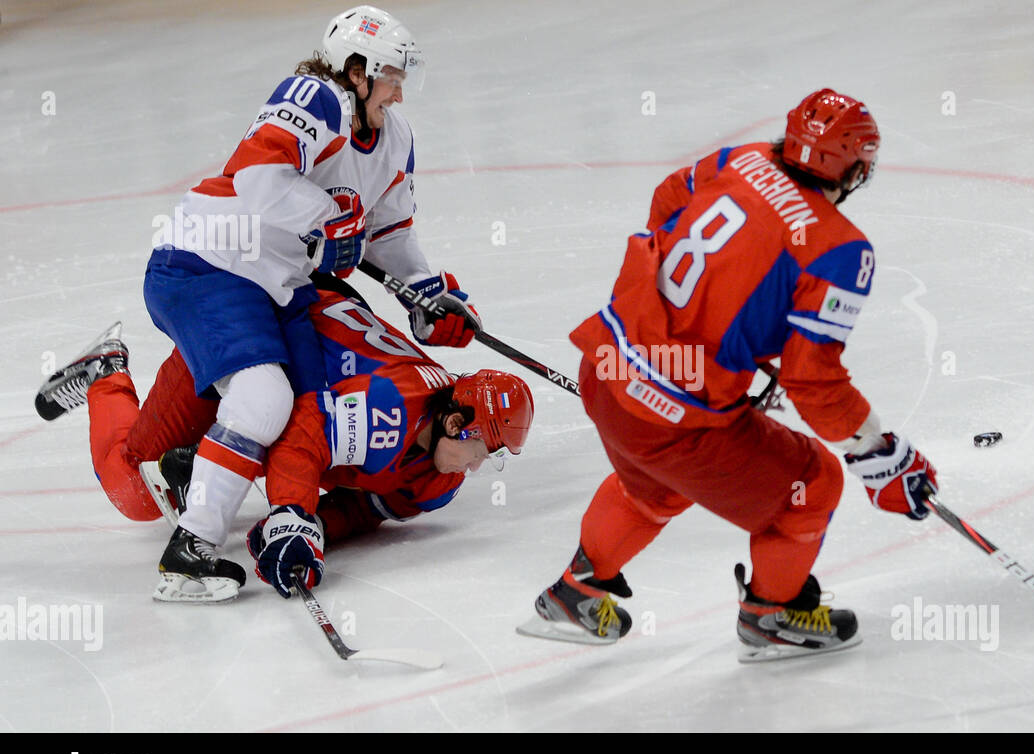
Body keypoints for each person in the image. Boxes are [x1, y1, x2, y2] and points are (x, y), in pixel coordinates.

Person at [518, 89, 940, 661]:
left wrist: (711, 314)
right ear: (857, 168)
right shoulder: (839, 249)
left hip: (607, 369)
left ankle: (577, 593)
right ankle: (774, 616)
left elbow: (666, 199)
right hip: (675, 418)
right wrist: (878, 453)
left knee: (651, 487)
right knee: (811, 485)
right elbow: (813, 383)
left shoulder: (737, 161)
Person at [128, 6, 481, 600]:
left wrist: (423, 288)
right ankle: (187, 555)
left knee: (309, 406)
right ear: (355, 69)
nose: (399, 91)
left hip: (276, 286)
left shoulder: (397, 138)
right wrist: (330, 218)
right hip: (211, 261)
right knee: (259, 400)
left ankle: (229, 483)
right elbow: (254, 176)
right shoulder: (316, 95)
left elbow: (389, 233)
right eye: (392, 75)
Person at [36, 287, 533, 602]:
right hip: (245, 340)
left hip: (280, 385)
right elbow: (303, 438)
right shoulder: (392, 409)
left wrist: (311, 530)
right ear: (455, 423)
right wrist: (290, 513)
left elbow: (361, 509)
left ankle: (203, 460)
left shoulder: (434, 483)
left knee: (229, 460)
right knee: (137, 492)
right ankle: (106, 373)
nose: (478, 467)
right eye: (485, 449)